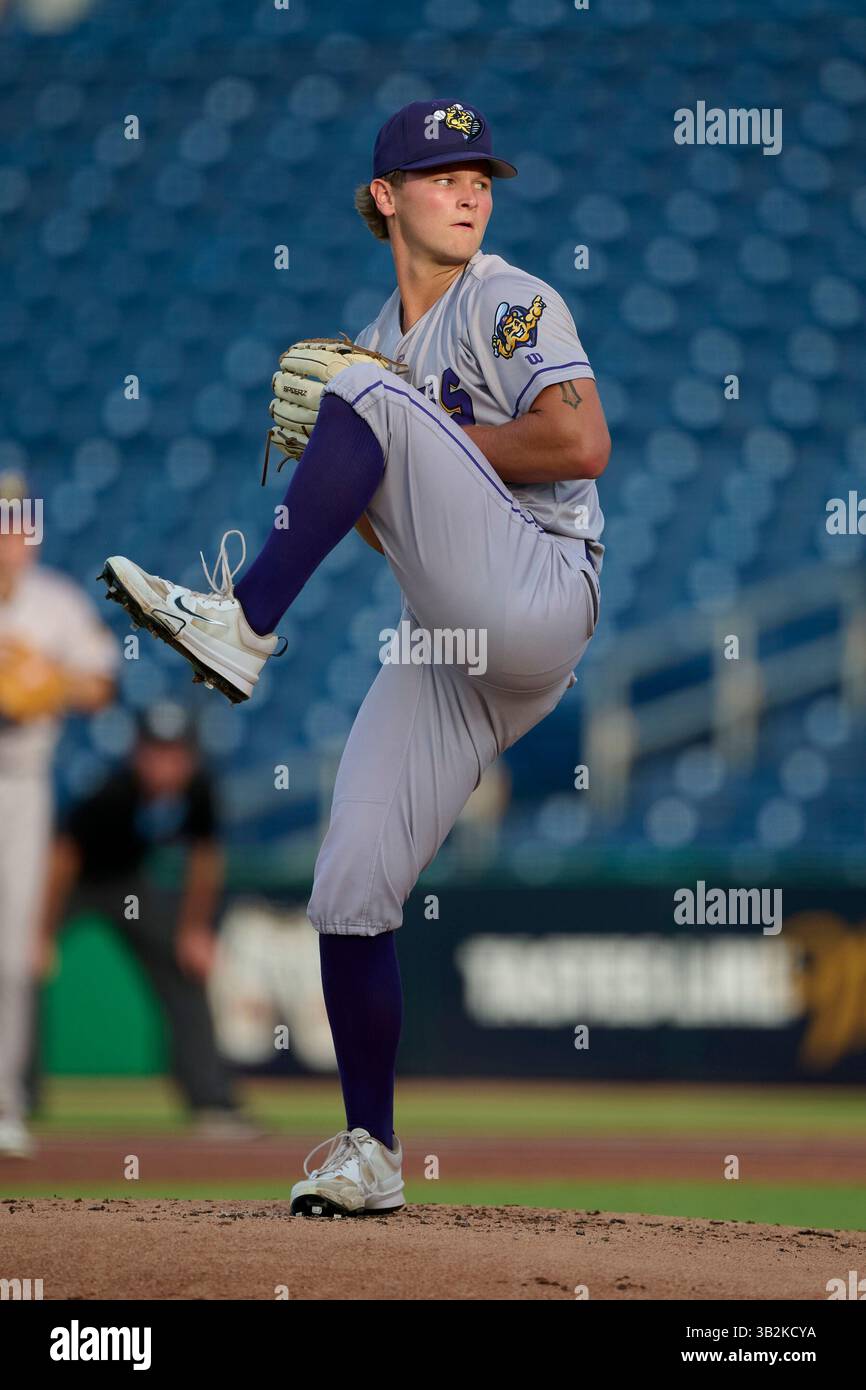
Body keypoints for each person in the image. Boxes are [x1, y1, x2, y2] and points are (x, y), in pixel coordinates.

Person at [98, 99, 610, 1213]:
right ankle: (370, 1151)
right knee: (349, 887)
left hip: (539, 587)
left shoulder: (505, 298)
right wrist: (382, 446)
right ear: (384, 197)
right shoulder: (377, 344)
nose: (472, 190)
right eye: (442, 174)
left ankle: (241, 624)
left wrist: (408, 421)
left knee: (360, 385)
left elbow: (580, 441)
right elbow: (395, 531)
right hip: (450, 637)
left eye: (481, 175)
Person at [35, 701, 258, 1138]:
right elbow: (62, 860)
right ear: (138, 753)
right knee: (20, 969)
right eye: (155, 752)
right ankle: (15, 1099)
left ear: (191, 757)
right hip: (74, 882)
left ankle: (212, 1101)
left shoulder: (199, 790)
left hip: (129, 885)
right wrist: (40, 935)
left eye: (175, 753)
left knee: (183, 966)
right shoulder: (111, 793)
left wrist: (193, 930)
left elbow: (204, 860)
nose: (165, 765)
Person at [0, 469, 117, 1158]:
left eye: (19, 524)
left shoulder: (55, 602)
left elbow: (101, 685)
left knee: (13, 953)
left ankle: (5, 1100)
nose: (13, 538)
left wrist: (50, 680)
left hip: (23, 782)